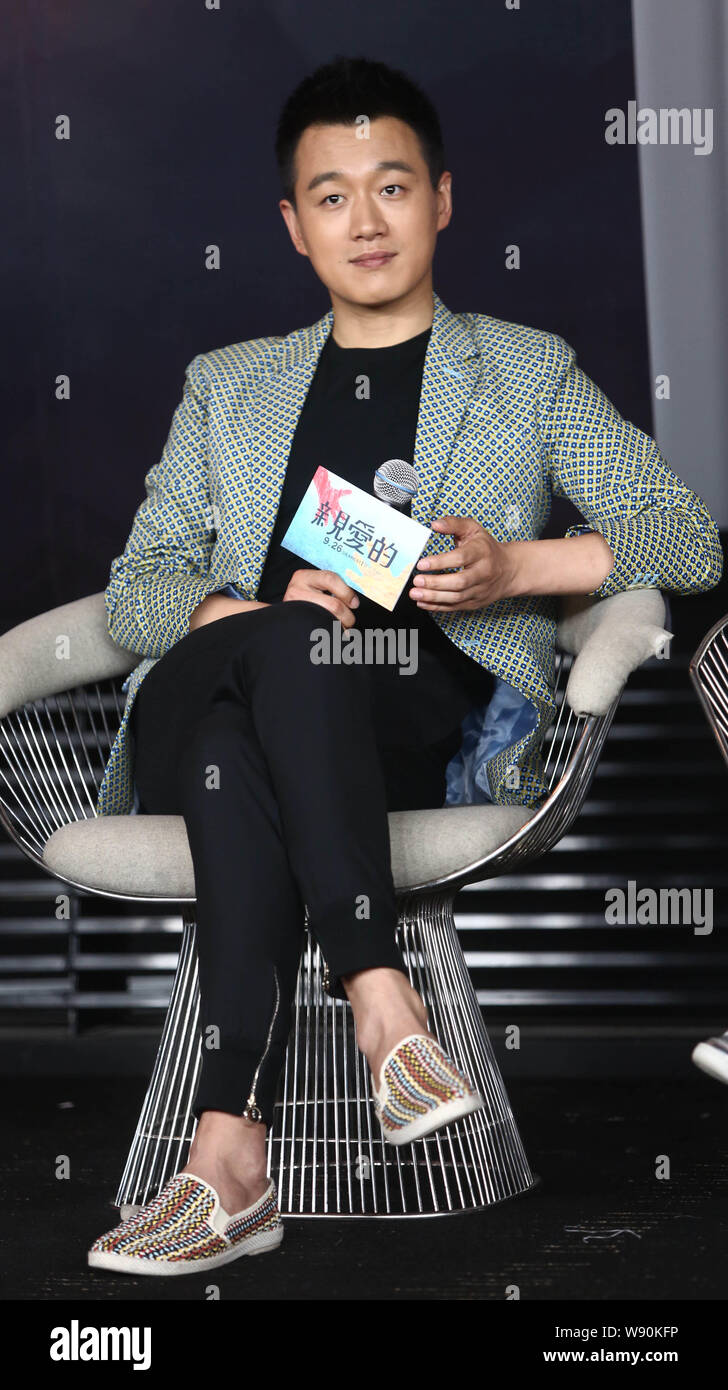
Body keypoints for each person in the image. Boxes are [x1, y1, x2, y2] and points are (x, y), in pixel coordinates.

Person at [87, 56, 723, 1276]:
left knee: (247, 752)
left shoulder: (523, 369)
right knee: (277, 648)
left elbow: (683, 537)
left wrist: (516, 569)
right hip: (204, 693)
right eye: (331, 196)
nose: (364, 221)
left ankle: (226, 1165)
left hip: (404, 729)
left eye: (390, 187)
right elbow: (136, 587)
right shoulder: (227, 389)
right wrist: (245, 602)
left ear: (441, 198)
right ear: (291, 225)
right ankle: (384, 1004)